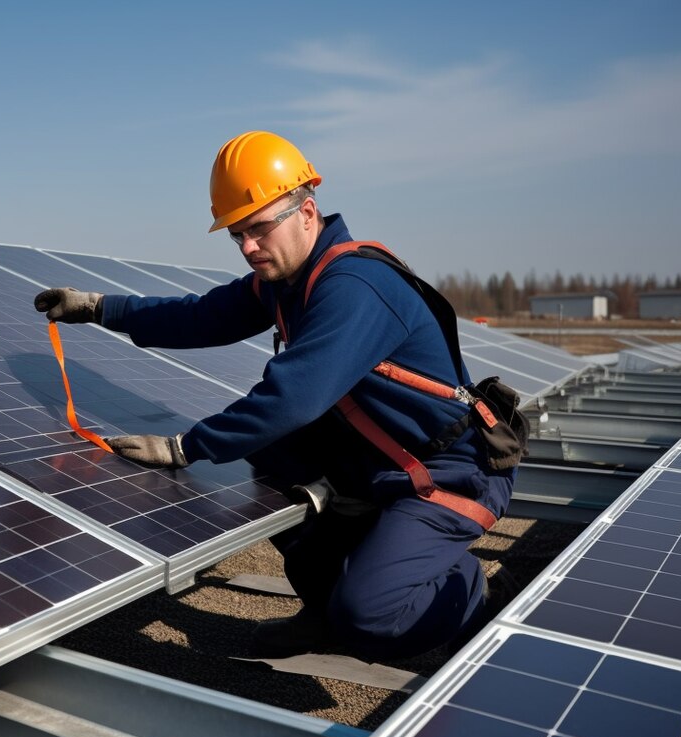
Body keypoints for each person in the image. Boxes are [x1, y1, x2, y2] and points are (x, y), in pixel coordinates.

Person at [33, 130, 514, 660]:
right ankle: (326, 608)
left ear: (307, 212)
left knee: (370, 614)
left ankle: (468, 596)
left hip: (446, 473)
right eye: (238, 235)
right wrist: (102, 307)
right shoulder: (287, 280)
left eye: (260, 229)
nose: (249, 248)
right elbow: (201, 315)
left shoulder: (354, 286)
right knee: (272, 455)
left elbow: (292, 397)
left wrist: (184, 448)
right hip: (376, 459)